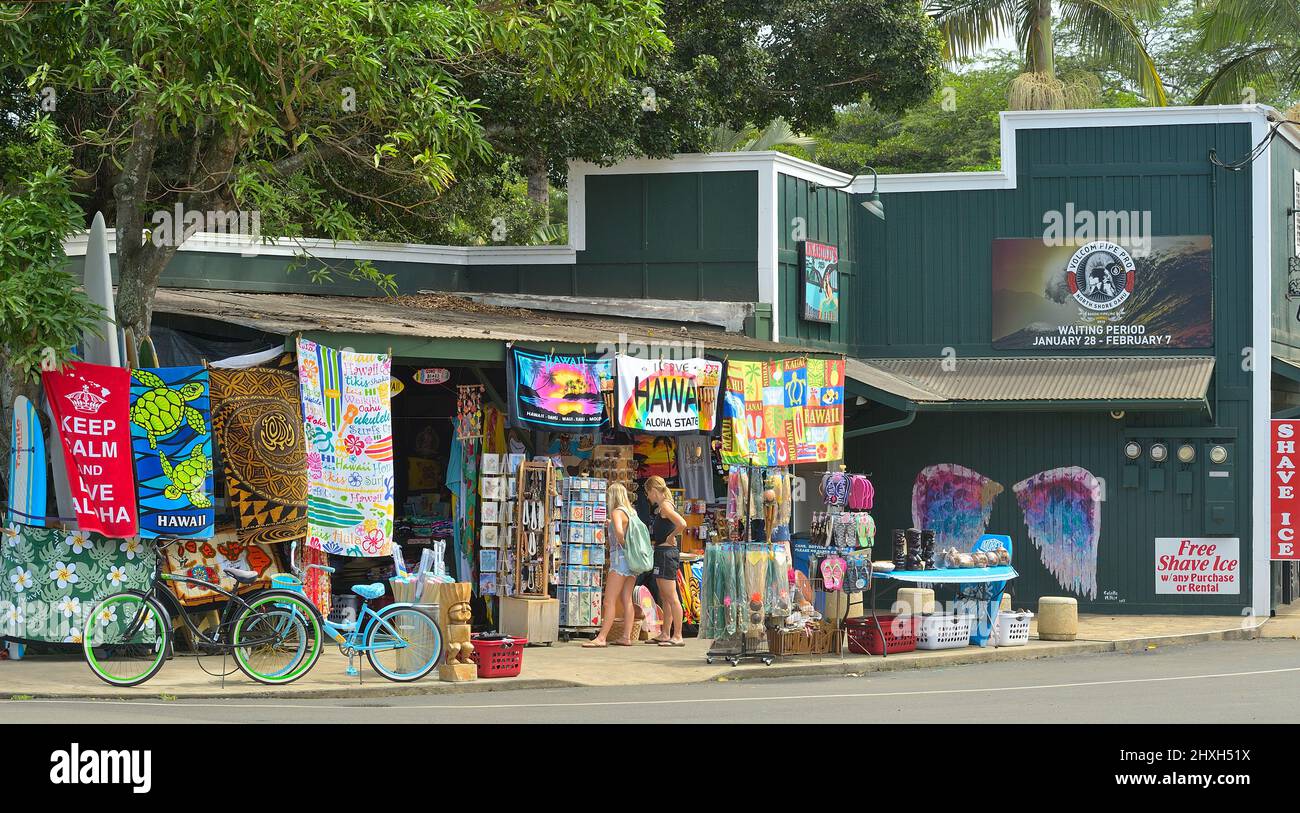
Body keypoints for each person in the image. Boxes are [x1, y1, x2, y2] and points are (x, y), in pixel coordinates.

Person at [582, 483, 638, 648]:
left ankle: (601, 638)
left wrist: (623, 545)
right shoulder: (631, 512)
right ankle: (626, 637)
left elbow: (620, 533)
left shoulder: (616, 512)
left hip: (620, 560)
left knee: (609, 600)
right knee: (627, 599)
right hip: (633, 562)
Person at [643, 475, 687, 646]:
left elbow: (682, 523)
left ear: (654, 491)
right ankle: (665, 633)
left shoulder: (666, 506)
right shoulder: (663, 507)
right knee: (665, 596)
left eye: (648, 493)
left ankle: (677, 635)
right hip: (662, 552)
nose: (648, 497)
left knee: (671, 596)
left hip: (667, 553)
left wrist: (671, 536)